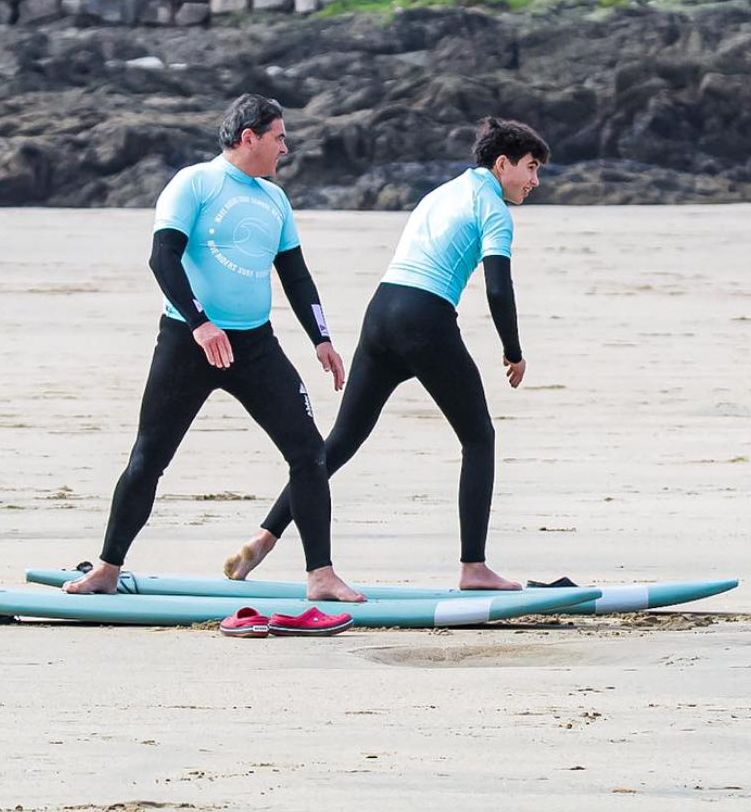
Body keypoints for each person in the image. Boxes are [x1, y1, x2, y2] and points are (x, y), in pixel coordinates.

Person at [223, 117, 547, 591]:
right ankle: (473, 567)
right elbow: (499, 287)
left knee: (341, 440)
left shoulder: (440, 194)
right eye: (531, 168)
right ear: (502, 164)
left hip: (381, 314)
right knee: (479, 438)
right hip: (425, 318)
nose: (535, 181)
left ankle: (263, 538)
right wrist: (513, 350)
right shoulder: (494, 209)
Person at [65, 95, 363, 602]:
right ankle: (107, 568)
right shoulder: (194, 183)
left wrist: (322, 337)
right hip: (188, 342)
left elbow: (295, 274)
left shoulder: (275, 200)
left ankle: (321, 575)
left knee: (308, 453)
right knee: (148, 459)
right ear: (250, 137)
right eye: (279, 138)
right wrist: (200, 323)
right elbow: (163, 258)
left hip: (255, 346)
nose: (285, 149)